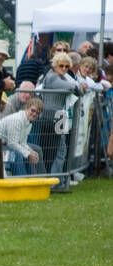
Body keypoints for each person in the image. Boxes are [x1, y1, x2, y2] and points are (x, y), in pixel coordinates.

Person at [41, 52, 81, 186]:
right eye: (61, 66)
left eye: (66, 66)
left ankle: (57, 179)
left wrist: (77, 87)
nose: (64, 69)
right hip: (54, 115)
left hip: (60, 115)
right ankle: (55, 181)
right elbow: (73, 87)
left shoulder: (62, 77)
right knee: (58, 150)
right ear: (55, 65)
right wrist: (77, 86)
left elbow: (76, 88)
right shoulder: (52, 77)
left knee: (60, 149)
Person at [0, 99, 43, 175]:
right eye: (33, 110)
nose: (34, 114)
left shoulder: (28, 122)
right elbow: (12, 144)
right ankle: (22, 181)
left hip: (8, 145)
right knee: (18, 155)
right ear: (27, 108)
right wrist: (28, 154)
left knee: (35, 152)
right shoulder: (17, 120)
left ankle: (36, 180)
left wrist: (30, 152)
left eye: (37, 113)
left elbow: (22, 143)